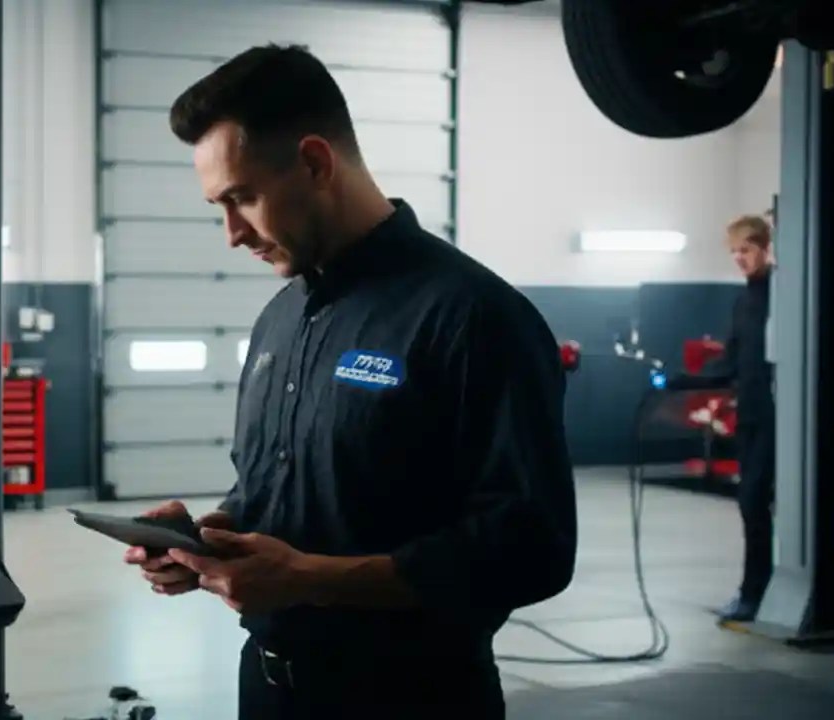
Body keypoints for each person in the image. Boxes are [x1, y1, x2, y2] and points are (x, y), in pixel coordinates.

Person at [122, 44, 577, 718]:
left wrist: (309, 580)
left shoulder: (473, 317)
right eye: (218, 206)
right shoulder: (281, 317)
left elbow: (532, 549)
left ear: (314, 162)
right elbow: (273, 493)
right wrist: (205, 539)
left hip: (410, 699)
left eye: (241, 198)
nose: (231, 234)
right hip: (269, 689)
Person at [670, 214, 775, 622]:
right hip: (750, 415)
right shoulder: (744, 300)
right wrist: (683, 382)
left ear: (765, 248)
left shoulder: (783, 295)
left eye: (746, 250)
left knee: (756, 499)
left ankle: (758, 591)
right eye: (734, 251)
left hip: (777, 415)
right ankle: (755, 590)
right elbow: (731, 361)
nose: (739, 259)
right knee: (751, 504)